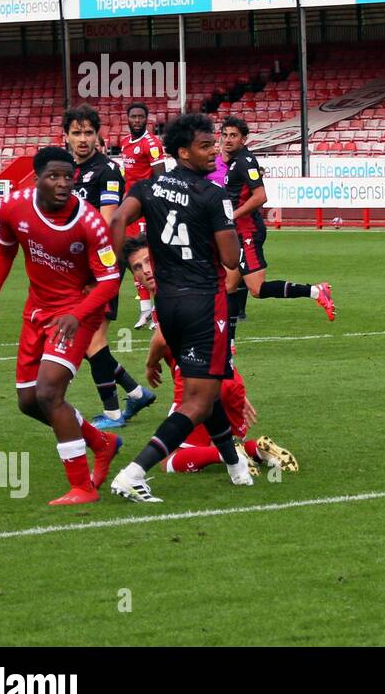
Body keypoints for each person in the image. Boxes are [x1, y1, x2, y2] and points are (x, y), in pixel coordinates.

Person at [107, 113, 251, 503]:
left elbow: (119, 218)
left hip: (167, 304)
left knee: (209, 383)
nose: (214, 152)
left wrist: (110, 272)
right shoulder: (212, 195)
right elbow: (230, 259)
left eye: (215, 144)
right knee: (199, 400)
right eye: (206, 146)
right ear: (183, 151)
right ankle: (132, 474)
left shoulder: (148, 184)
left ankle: (238, 469)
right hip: (205, 301)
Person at [0, 147, 125, 504]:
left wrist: (78, 312)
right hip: (36, 311)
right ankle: (102, 444)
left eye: (67, 177)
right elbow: (3, 252)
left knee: (48, 393)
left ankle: (82, 487)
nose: (61, 184)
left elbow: (110, 279)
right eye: (53, 176)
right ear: (35, 178)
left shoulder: (89, 222)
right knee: (28, 402)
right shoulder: (13, 207)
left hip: (77, 314)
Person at [122, 235, 297, 477]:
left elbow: (162, 338)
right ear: (134, 277)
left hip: (196, 384)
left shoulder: (171, 289)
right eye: (138, 267)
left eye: (148, 261)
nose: (146, 271)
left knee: (170, 461)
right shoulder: (193, 283)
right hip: (225, 377)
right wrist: (230, 382)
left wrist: (150, 364)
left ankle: (232, 455)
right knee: (216, 440)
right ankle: (255, 449)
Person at [63, 104, 157, 430]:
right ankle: (135, 392)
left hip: (100, 267)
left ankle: (114, 413)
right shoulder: (67, 172)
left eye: (89, 132)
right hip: (75, 270)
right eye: (77, 132)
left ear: (98, 135)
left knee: (92, 342)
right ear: (66, 136)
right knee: (91, 346)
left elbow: (106, 224)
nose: (83, 139)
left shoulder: (107, 171)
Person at [221, 116, 334, 327]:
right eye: (225, 135)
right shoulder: (235, 161)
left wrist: (232, 215)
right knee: (228, 285)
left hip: (248, 233)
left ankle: (316, 291)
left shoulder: (245, 162)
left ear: (244, 139)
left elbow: (260, 197)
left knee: (256, 289)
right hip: (237, 233)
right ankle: (228, 343)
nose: (228, 139)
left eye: (233, 136)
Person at [120, 101, 166, 328]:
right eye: (133, 117)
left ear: (146, 120)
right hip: (130, 210)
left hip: (146, 209)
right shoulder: (125, 142)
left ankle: (159, 309)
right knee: (133, 258)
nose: (136, 121)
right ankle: (145, 310)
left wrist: (155, 209)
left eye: (140, 117)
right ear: (127, 119)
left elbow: (160, 178)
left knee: (151, 259)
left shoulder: (152, 144)